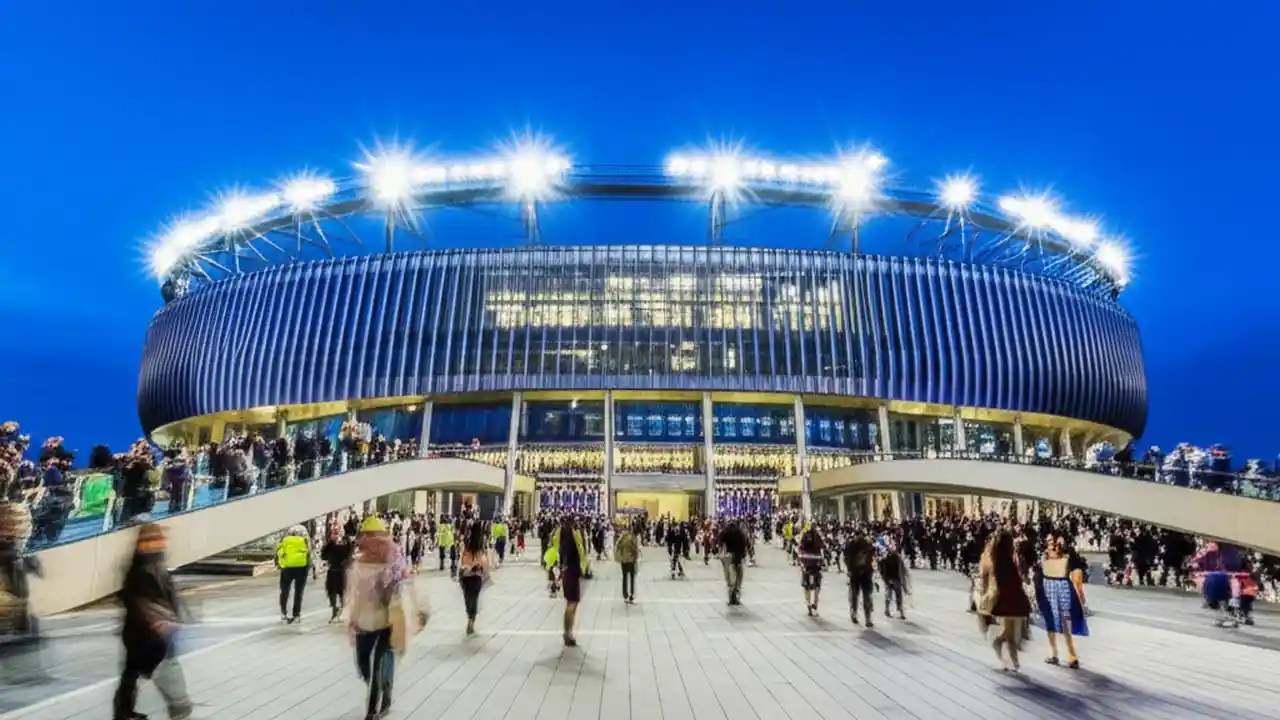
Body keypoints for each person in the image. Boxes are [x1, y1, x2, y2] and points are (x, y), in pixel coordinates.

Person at [113, 524, 193, 720]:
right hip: (149, 636)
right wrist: (163, 619)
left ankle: (124, 712)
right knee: (167, 675)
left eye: (158, 540)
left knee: (131, 674)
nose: (157, 545)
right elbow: (138, 600)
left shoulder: (154, 567)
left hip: (149, 634)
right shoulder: (142, 571)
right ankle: (177, 707)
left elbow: (166, 596)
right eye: (151, 541)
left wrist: (178, 613)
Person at [347, 516, 419, 720]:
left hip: (386, 619)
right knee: (363, 664)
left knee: (379, 661)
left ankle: (373, 708)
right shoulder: (359, 560)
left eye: (374, 535)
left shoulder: (394, 556)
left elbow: (404, 582)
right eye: (367, 535)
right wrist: (352, 617)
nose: (371, 539)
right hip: (363, 621)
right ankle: (382, 687)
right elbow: (355, 592)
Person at [977, 530, 1032, 672]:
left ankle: (1007, 655)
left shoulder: (1008, 559)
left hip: (1010, 599)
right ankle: (1014, 662)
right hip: (1007, 599)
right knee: (1011, 635)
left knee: (1013, 635)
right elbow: (987, 579)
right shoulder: (995, 561)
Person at [1035, 536, 1088, 669]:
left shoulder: (1067, 558)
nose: (1052, 547)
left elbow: (1079, 566)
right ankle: (1054, 654)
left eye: (1055, 544)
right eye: (1049, 544)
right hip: (1049, 590)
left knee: (1066, 623)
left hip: (1063, 590)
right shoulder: (1043, 559)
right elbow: (1038, 576)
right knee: (1050, 623)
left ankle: (1072, 656)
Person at [552, 515, 588, 646]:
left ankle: (568, 632)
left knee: (571, 602)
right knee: (572, 602)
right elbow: (580, 551)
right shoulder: (571, 533)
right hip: (571, 570)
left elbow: (555, 551)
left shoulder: (559, 533)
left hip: (566, 569)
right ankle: (568, 633)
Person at [275, 525, 312, 624]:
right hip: (301, 566)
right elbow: (309, 550)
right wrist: (310, 566)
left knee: (284, 590)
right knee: (298, 592)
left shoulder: (286, 531)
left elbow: (279, 549)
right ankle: (296, 615)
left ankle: (283, 613)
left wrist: (279, 563)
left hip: (287, 566)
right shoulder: (304, 531)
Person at [459, 521, 490, 636]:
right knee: (474, 598)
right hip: (476, 575)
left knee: (467, 598)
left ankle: (469, 617)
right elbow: (484, 559)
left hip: (466, 574)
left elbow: (462, 556)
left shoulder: (467, 541)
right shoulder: (481, 543)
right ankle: (471, 619)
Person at [320, 528, 354, 623]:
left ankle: (335, 613)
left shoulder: (330, 546)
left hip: (333, 571)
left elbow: (323, 556)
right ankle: (341, 612)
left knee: (333, 593)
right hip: (342, 571)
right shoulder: (346, 545)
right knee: (342, 592)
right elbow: (350, 554)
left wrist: (330, 544)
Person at [843, 529, 876, 627]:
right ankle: (867, 618)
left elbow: (847, 558)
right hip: (864, 572)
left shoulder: (851, 544)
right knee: (866, 595)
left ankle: (854, 613)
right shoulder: (867, 544)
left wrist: (849, 570)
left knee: (855, 594)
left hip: (856, 573)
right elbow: (871, 557)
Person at [719, 520, 749, 606]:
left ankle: (731, 596)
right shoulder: (740, 533)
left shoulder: (724, 532)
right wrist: (743, 556)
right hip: (737, 557)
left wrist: (722, 555)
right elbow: (744, 545)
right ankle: (736, 596)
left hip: (728, 557)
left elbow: (721, 544)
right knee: (738, 578)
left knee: (730, 578)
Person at [797, 525, 825, 616]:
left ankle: (808, 603)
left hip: (806, 563)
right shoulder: (818, 536)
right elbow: (822, 548)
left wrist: (801, 561)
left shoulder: (804, 536)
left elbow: (800, 549)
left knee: (806, 586)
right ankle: (815, 603)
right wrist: (822, 561)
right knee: (817, 585)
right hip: (816, 563)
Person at [879, 542, 910, 620]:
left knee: (892, 595)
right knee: (895, 596)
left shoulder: (892, 559)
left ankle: (893, 610)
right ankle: (897, 611)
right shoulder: (893, 559)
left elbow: (903, 570)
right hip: (893, 579)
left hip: (893, 579)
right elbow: (903, 570)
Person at [615, 524, 639, 604]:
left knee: (625, 577)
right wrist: (636, 558)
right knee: (632, 577)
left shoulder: (624, 535)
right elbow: (635, 549)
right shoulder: (633, 538)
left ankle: (625, 595)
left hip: (623, 560)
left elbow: (618, 544)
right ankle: (631, 595)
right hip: (630, 560)